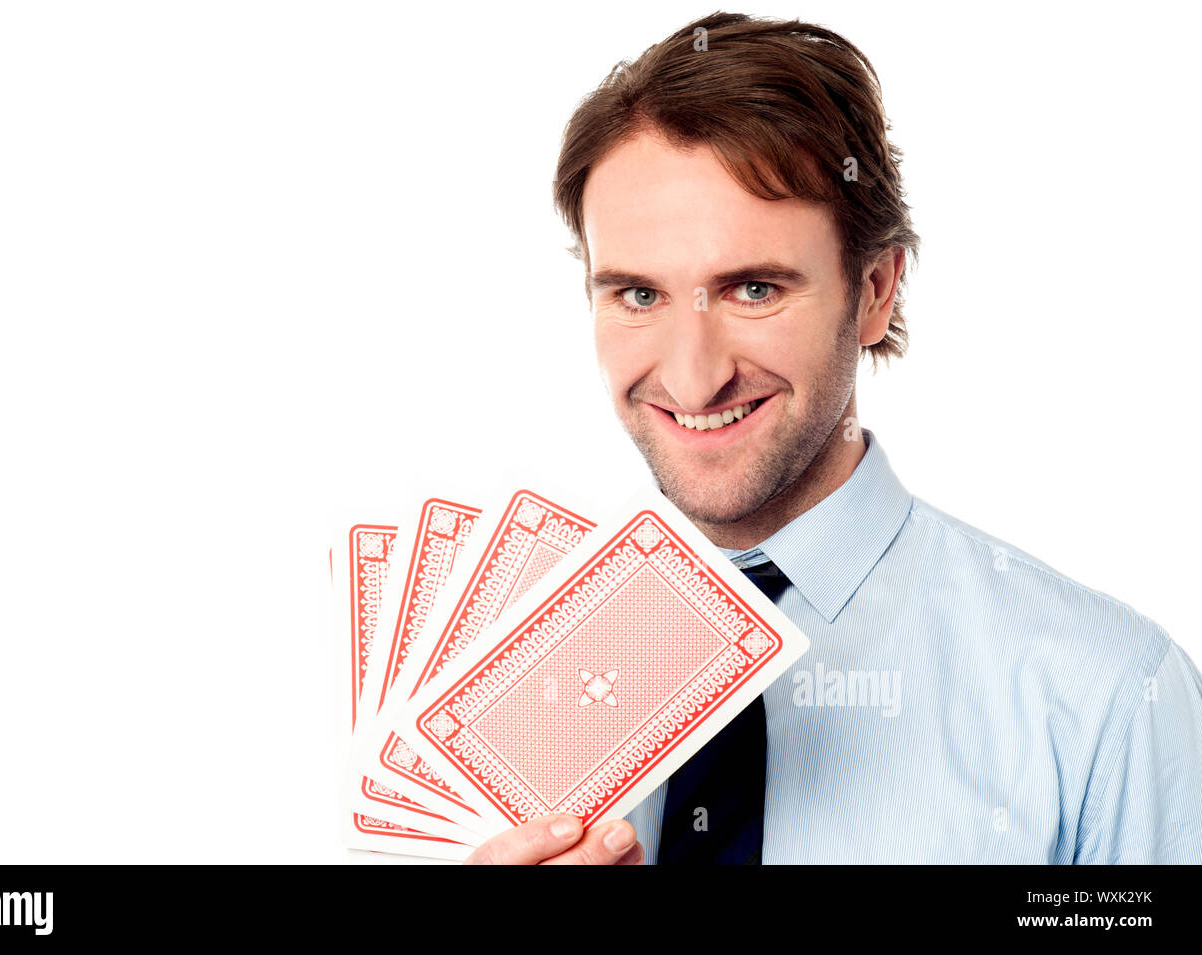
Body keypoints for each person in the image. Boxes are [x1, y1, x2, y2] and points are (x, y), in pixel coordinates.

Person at [464, 12, 1202, 865]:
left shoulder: (1108, 699)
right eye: (637, 295)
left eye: (753, 289)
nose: (694, 377)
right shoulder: (483, 679)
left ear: (876, 290)